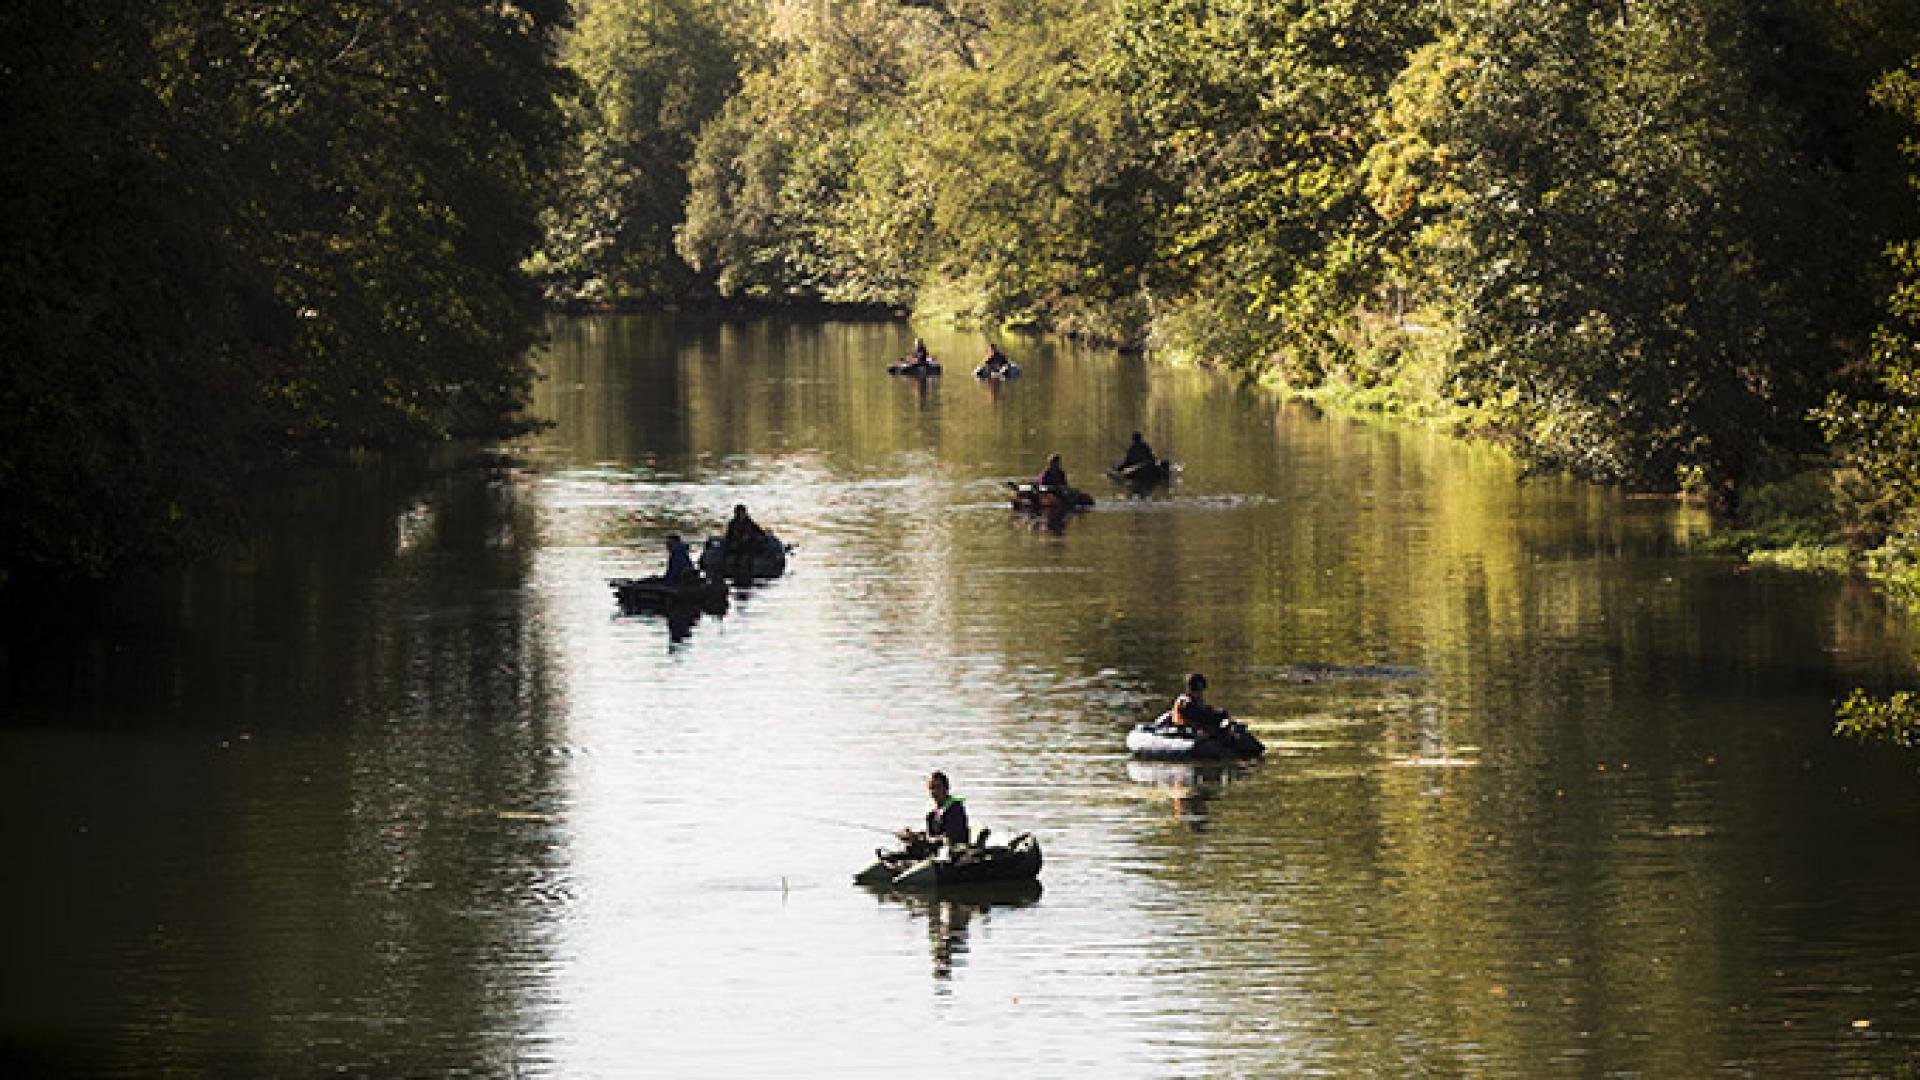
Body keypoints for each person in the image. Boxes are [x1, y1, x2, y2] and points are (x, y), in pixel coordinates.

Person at [897, 770, 971, 851]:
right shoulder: (933, 812)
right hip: (936, 849)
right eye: (931, 788)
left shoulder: (955, 809)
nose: (934, 792)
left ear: (947, 787)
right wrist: (914, 836)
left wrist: (921, 840)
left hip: (954, 853)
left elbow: (950, 839)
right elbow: (931, 834)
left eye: (938, 787)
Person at [1170, 673, 1228, 737]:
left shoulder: (1195, 701)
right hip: (1186, 733)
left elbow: (1205, 711)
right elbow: (1201, 716)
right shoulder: (1185, 703)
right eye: (1198, 689)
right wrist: (1218, 715)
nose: (1200, 693)